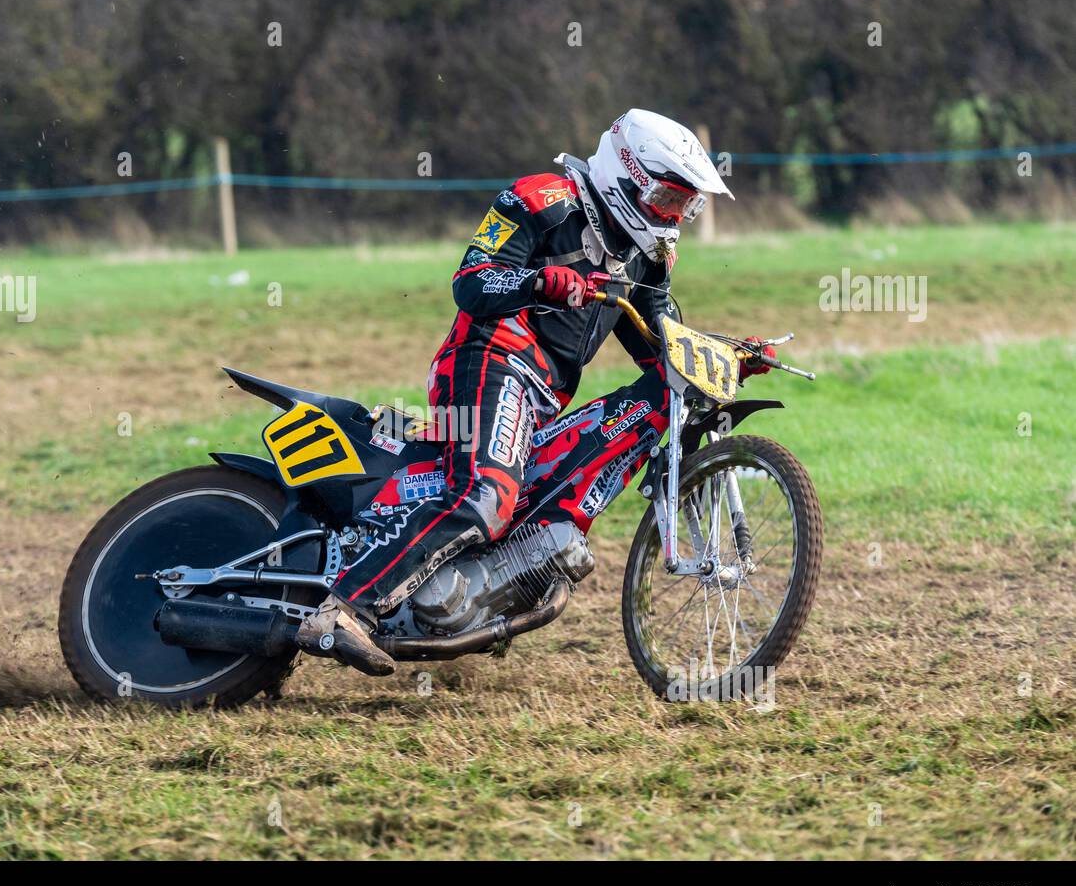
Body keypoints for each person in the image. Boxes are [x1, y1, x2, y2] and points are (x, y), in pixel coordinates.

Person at [296, 109, 774, 675]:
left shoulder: (650, 255)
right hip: (486, 360)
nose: (674, 218)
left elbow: (661, 341)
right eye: (669, 200)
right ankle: (344, 608)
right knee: (487, 495)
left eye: (685, 208)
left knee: (539, 498)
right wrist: (541, 280)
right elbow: (471, 283)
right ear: (629, 174)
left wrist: (727, 355)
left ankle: (472, 600)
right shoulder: (540, 198)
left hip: (541, 394)